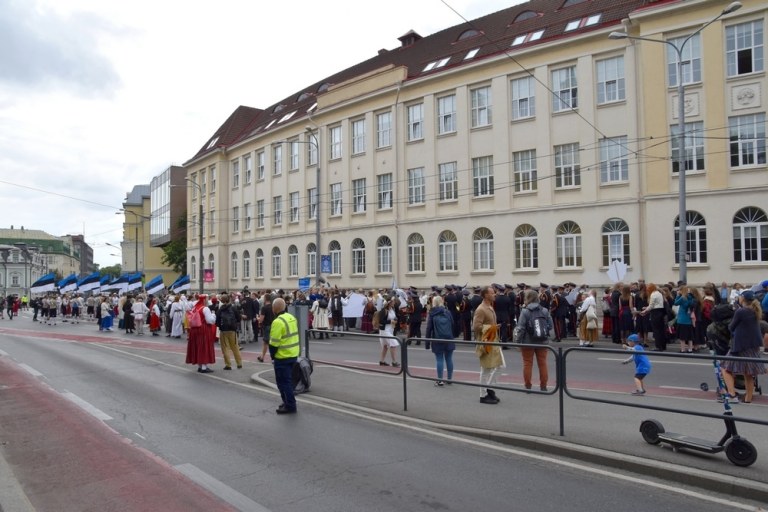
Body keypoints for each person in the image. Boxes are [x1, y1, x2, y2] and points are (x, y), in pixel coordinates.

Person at [722, 290, 767, 404]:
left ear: (742, 299)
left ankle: (732, 395)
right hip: (753, 345)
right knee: (749, 373)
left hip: (741, 345)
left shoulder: (741, 311)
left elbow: (731, 327)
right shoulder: (755, 310)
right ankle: (748, 399)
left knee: (725, 368)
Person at [514, 289, 552, 392]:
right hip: (543, 341)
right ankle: (543, 386)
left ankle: (528, 386)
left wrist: (518, 342)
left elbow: (520, 328)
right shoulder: (544, 310)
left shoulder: (525, 311)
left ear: (528, 298)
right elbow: (550, 326)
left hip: (527, 341)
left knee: (527, 363)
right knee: (543, 363)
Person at [269, 297, 300, 414]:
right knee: (288, 381)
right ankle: (287, 402)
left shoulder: (277, 322)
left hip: (282, 357)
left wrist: (273, 357)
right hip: (293, 354)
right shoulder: (291, 317)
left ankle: (290, 405)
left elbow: (273, 343)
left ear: (274, 309)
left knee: (283, 382)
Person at [473, 285, 502, 404]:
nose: (494, 294)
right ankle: (483, 395)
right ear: (486, 295)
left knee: (498, 366)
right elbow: (476, 327)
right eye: (492, 293)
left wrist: (494, 328)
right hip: (486, 340)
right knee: (485, 368)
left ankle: (489, 389)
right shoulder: (481, 309)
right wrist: (492, 328)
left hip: (493, 339)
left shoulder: (489, 306)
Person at [425, 295, 456, 386]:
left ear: (434, 303)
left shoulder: (432, 313)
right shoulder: (447, 312)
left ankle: (440, 380)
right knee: (449, 359)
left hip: (437, 339)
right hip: (449, 338)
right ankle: (449, 379)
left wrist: (427, 343)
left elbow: (428, 329)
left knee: (439, 359)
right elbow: (453, 324)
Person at [186, 294, 216, 373]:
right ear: (204, 300)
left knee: (197, 346)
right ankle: (204, 367)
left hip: (194, 329)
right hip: (203, 329)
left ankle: (199, 366)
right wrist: (213, 315)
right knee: (204, 347)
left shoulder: (195, 308)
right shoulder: (205, 308)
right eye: (207, 299)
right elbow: (209, 320)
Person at [216, 294, 243, 371]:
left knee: (225, 348)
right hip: (232, 330)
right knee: (235, 347)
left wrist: (220, 327)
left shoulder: (220, 309)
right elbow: (238, 318)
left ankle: (228, 364)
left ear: (222, 300)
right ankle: (239, 363)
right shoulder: (233, 307)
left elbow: (217, 322)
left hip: (223, 331)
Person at [640, 283, 667, 351]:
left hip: (655, 313)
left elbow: (651, 306)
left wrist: (645, 311)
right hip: (660, 312)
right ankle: (663, 346)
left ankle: (658, 346)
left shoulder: (653, 294)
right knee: (661, 330)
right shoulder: (659, 293)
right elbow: (656, 304)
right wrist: (647, 308)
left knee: (656, 330)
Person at [376, 296, 400, 367]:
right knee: (393, 344)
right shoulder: (384, 310)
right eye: (393, 301)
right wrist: (390, 321)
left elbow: (394, 317)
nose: (394, 302)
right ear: (389, 303)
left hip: (390, 329)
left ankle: (382, 361)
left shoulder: (392, 309)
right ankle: (394, 362)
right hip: (384, 330)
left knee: (385, 346)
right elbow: (381, 321)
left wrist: (395, 320)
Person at [673, 286, 696, 353]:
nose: (678, 291)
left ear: (682, 291)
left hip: (682, 320)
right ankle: (690, 349)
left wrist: (677, 295)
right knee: (689, 337)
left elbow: (675, 303)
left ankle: (683, 349)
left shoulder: (683, 298)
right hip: (689, 320)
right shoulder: (691, 297)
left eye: (679, 290)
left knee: (682, 337)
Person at [258, 293, 275, 362]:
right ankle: (262, 356)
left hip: (267, 326)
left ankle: (263, 357)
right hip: (274, 325)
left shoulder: (264, 308)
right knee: (273, 342)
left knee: (266, 342)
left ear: (265, 299)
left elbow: (261, 319)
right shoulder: (273, 306)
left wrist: (258, 318)